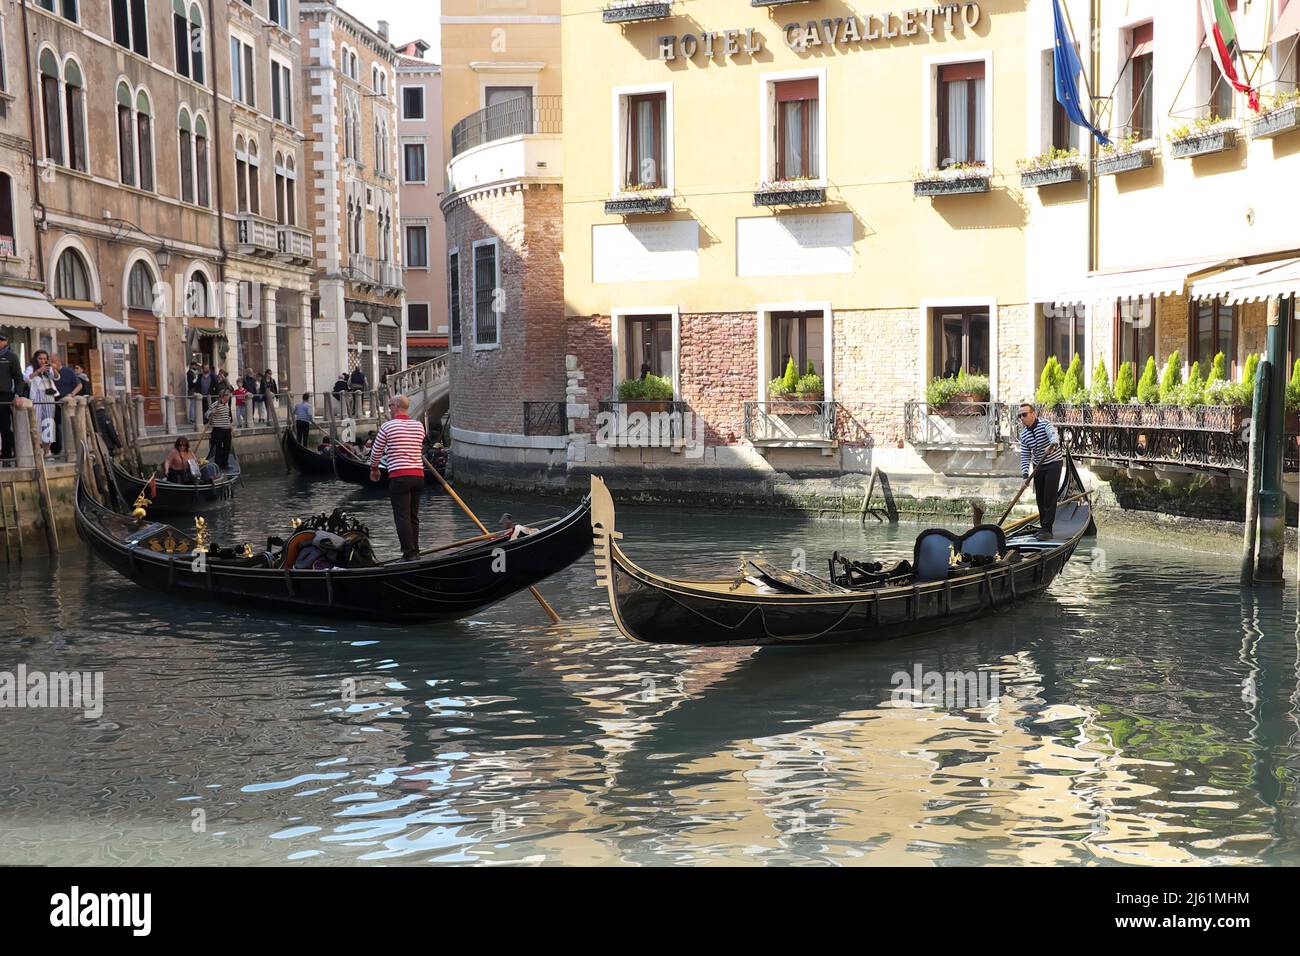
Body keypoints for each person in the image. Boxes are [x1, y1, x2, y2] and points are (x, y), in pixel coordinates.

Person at [369, 394, 427, 561]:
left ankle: (409, 554)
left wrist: (374, 470)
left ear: (397, 406)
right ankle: (415, 550)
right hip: (418, 475)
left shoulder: (388, 427)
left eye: (390, 405)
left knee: (402, 516)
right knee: (413, 516)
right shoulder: (419, 426)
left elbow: (376, 452)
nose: (389, 409)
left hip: (400, 476)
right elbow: (417, 445)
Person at [1017, 402, 1064, 541]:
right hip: (1038, 465)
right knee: (1040, 498)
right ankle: (1044, 527)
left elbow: (1053, 435)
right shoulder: (1024, 435)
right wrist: (1025, 476)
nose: (1022, 418)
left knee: (1049, 495)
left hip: (1054, 463)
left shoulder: (1045, 424)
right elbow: (1025, 456)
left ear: (1033, 414)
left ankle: (1047, 529)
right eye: (1020, 416)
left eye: (1024, 414)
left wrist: (1053, 444)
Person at [25, 350, 59, 458]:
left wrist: (53, 368)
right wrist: (39, 370)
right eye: (40, 358)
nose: (43, 361)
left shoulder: (49, 368)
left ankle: (47, 450)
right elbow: (27, 378)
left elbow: (57, 377)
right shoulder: (31, 368)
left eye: (45, 359)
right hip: (37, 395)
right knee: (37, 421)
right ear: (36, 359)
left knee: (48, 422)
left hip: (49, 395)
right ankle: (37, 448)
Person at [0, 330, 26, 462]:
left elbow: (18, 378)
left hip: (5, 397)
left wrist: (18, 395)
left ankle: (6, 456)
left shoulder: (12, 357)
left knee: (5, 427)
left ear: (5, 342)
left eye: (0, 340)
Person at [50, 354, 81, 457]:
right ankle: (56, 449)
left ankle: (68, 449)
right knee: (54, 424)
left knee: (65, 424)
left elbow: (79, 385)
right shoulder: (49, 372)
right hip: (52, 401)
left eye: (52, 361)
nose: (50, 363)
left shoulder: (68, 371)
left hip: (66, 402)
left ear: (58, 362)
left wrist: (72, 394)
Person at [204, 386, 234, 470]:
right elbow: (206, 414)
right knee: (219, 449)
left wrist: (230, 426)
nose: (229, 397)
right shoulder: (215, 404)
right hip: (218, 430)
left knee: (227, 448)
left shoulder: (227, 405)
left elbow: (227, 417)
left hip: (227, 430)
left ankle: (225, 464)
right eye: (228, 395)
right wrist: (211, 412)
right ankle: (218, 465)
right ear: (224, 396)